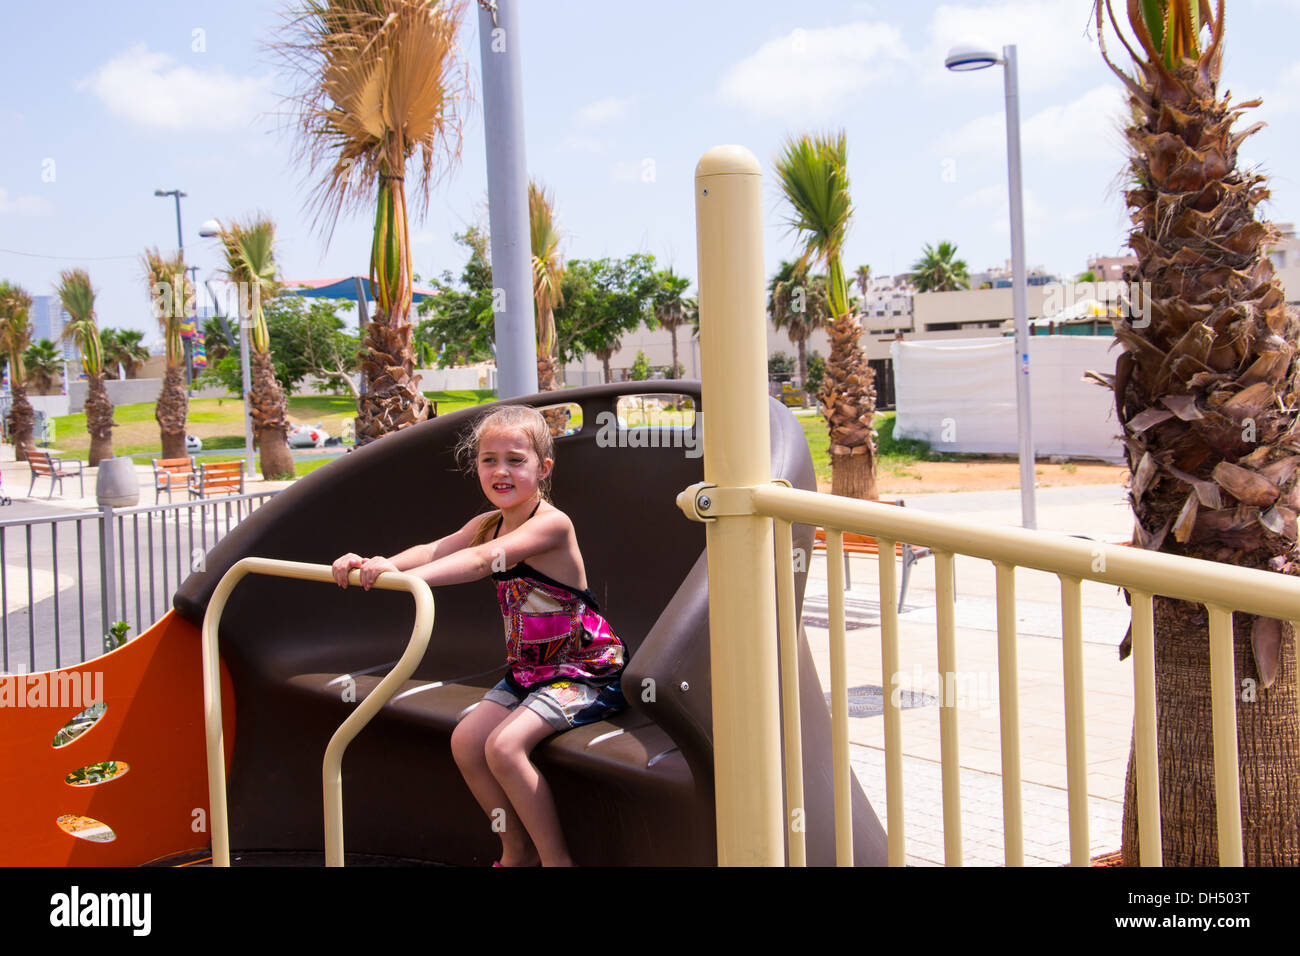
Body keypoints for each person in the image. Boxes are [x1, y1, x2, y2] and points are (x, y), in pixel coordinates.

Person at [331, 404, 627, 867]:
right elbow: (435, 548)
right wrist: (379, 564)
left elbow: (477, 562)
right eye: (488, 460)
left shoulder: (552, 524)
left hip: (584, 671)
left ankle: (556, 860)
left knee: (504, 748)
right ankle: (516, 849)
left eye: (515, 459)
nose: (500, 471)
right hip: (531, 671)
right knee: (467, 742)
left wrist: (414, 580)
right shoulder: (488, 522)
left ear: (543, 468)